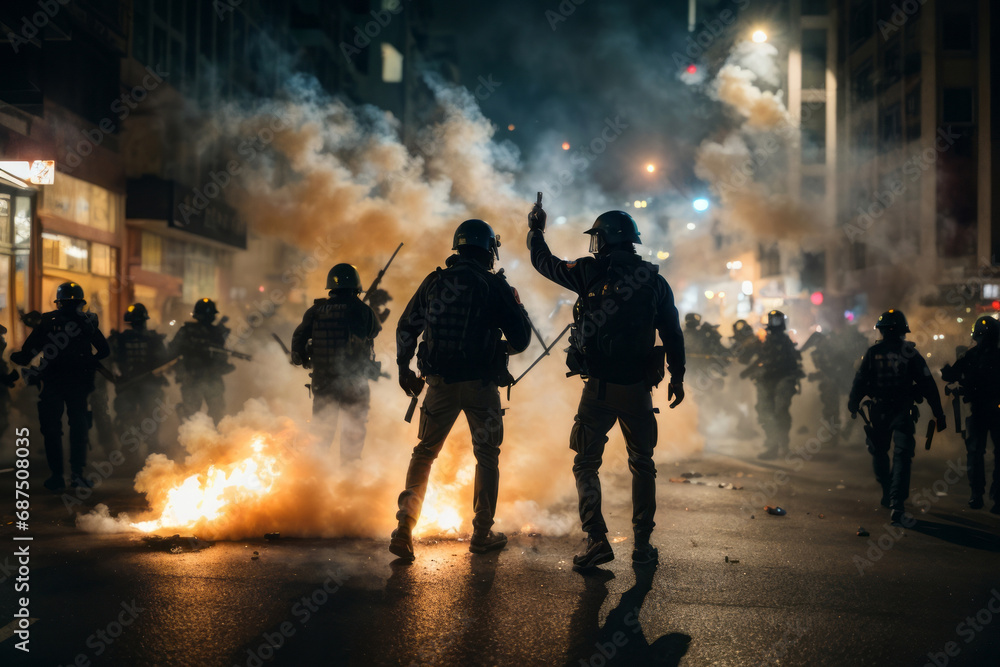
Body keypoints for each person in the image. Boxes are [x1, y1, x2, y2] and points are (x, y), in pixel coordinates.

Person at [527, 206, 685, 571]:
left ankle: (596, 538)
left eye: (598, 237)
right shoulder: (655, 281)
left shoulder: (590, 271)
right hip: (637, 390)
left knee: (585, 462)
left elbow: (545, 263)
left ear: (607, 238)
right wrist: (677, 376)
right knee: (643, 464)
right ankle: (642, 545)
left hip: (598, 389)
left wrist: (536, 231)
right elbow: (672, 334)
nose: (595, 244)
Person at [390, 219, 531, 561]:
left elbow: (407, 325)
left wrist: (403, 367)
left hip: (439, 385)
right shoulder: (494, 285)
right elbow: (521, 340)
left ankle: (405, 528)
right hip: (480, 387)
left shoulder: (435, 281)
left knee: (424, 453)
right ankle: (482, 533)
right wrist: (516, 305)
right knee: (486, 455)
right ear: (488, 250)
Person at [9, 282, 110, 490]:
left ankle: (57, 476)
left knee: (53, 430)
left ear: (58, 302)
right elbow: (104, 350)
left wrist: (15, 357)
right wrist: (89, 360)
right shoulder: (87, 321)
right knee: (79, 428)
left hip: (53, 383)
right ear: (81, 302)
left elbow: (28, 353)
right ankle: (77, 475)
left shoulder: (47, 321)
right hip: (78, 384)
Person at [848, 309, 946, 523]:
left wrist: (853, 404)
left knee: (880, 452)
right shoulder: (910, 354)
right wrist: (939, 413)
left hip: (879, 411)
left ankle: (887, 490)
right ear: (904, 331)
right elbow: (928, 385)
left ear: (881, 331)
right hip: (902, 411)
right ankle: (896, 501)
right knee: (902, 455)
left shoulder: (873, 353)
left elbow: (860, 381)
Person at [291, 263, 382, 462]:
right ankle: (348, 480)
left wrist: (303, 357)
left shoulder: (316, 310)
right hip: (354, 383)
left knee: (321, 433)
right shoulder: (362, 310)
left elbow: (298, 341)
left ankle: (314, 477)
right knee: (353, 432)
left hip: (323, 382)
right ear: (356, 287)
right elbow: (373, 332)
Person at [941, 316, 1000, 513]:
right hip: (995, 412)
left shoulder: (970, 355)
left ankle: (977, 495)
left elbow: (951, 376)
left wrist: (947, 370)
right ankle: (997, 498)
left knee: (975, 454)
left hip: (978, 411)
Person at [742, 310, 804, 460]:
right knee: (765, 412)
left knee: (780, 411)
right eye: (772, 320)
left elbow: (791, 362)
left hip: (783, 379)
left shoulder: (784, 340)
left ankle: (783, 446)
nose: (774, 323)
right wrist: (750, 370)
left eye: (777, 320)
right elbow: (761, 358)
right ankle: (773, 445)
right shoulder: (767, 340)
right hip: (768, 380)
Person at [109, 303, 169, 451]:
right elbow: (164, 359)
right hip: (138, 385)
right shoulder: (153, 339)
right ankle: (148, 447)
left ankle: (134, 447)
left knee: (132, 416)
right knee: (149, 417)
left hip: (138, 384)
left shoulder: (119, 339)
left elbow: (110, 360)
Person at [168, 298, 233, 424]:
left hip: (211, 378)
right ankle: (193, 438)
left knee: (217, 412)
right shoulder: (186, 331)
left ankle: (215, 440)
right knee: (191, 414)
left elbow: (222, 355)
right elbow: (173, 353)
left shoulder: (216, 333)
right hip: (192, 377)